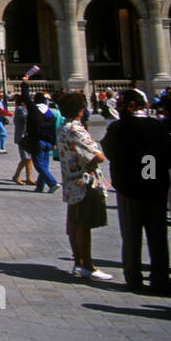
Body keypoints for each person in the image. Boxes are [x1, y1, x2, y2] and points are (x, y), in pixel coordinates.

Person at [101, 91, 171, 294]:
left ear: (130, 105)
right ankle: (160, 278)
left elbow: (110, 153)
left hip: (129, 189)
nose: (117, 107)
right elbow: (166, 154)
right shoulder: (159, 126)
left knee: (131, 235)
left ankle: (133, 277)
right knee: (158, 236)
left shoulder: (118, 128)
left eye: (120, 103)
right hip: (155, 188)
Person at [53, 89, 112, 281]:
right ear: (80, 109)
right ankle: (88, 265)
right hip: (84, 181)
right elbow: (98, 157)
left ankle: (78, 262)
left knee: (74, 223)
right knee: (83, 226)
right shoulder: (75, 130)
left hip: (70, 180)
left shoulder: (62, 128)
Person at [20, 83, 60, 194]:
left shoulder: (34, 110)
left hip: (37, 141)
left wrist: (24, 84)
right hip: (48, 142)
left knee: (38, 164)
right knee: (45, 165)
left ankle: (52, 183)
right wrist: (53, 142)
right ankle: (40, 187)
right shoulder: (50, 112)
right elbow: (53, 128)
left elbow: (26, 98)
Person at [10, 90, 36, 186]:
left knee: (28, 158)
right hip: (22, 137)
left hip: (26, 136)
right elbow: (28, 118)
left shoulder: (23, 108)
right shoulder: (21, 109)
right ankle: (21, 177)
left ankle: (25, 177)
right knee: (26, 158)